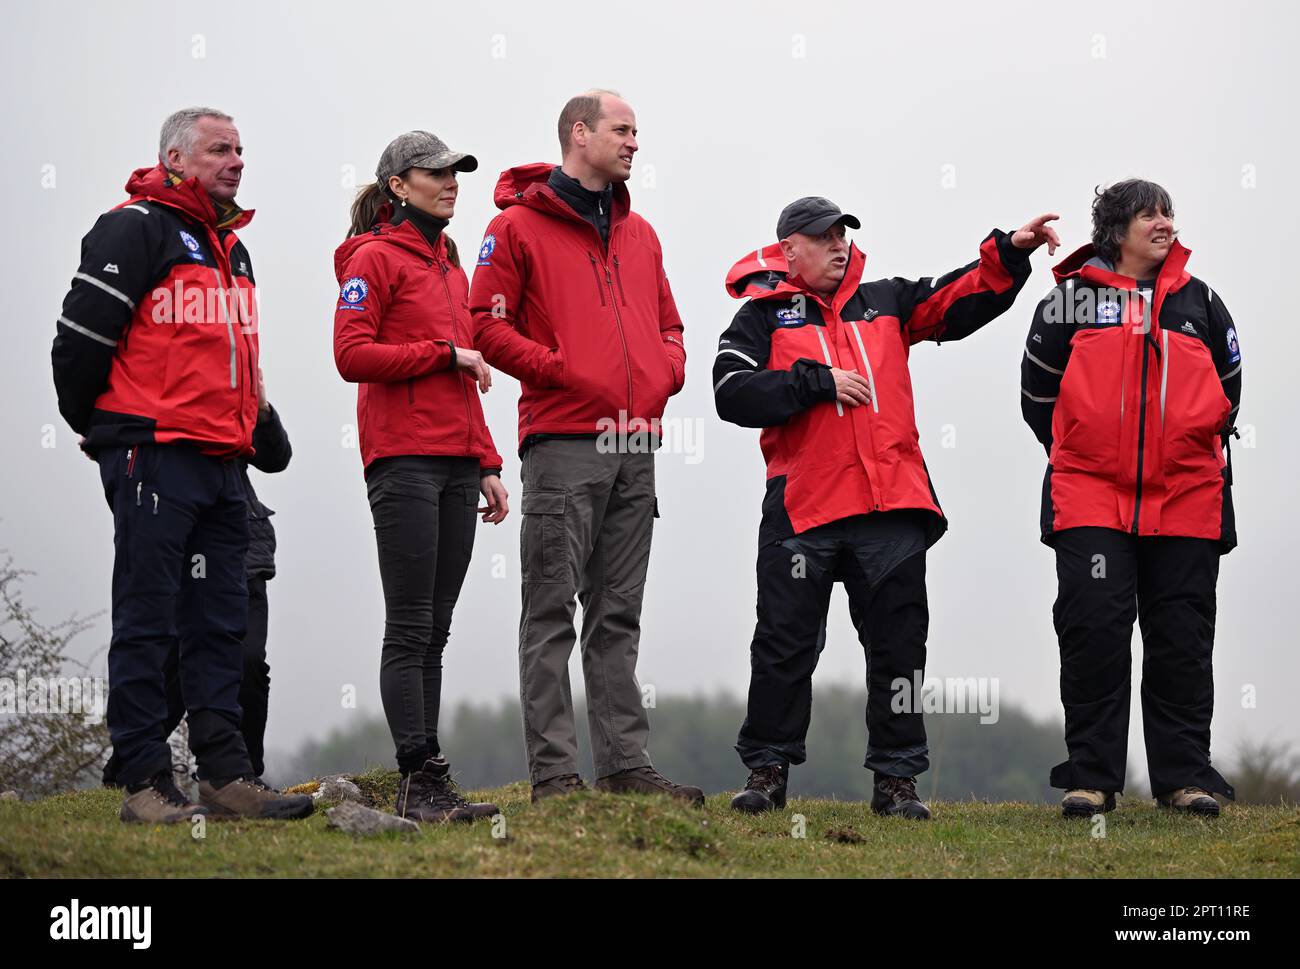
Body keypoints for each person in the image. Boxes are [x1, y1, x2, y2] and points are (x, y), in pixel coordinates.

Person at [715, 196, 1058, 819]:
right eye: (822, 237)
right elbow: (730, 392)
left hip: (893, 511)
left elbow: (960, 299)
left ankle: (897, 784)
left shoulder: (889, 300)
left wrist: (1012, 250)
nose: (838, 243)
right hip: (803, 514)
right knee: (783, 648)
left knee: (899, 653)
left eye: (843, 233)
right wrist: (814, 383)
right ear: (789, 249)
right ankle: (766, 774)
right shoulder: (760, 319)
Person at [50, 107, 312, 822]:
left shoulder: (231, 247)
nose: (236, 160)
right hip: (155, 454)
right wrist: (105, 427)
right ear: (174, 157)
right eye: (219, 149)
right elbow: (77, 341)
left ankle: (226, 776)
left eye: (240, 149)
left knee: (220, 623)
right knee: (148, 621)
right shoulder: (134, 227)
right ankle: (144, 784)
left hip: (224, 462)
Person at [470, 90, 701, 805]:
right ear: (580, 133)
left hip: (637, 443)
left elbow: (671, 326)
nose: (635, 143)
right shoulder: (514, 227)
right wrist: (559, 369)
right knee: (549, 611)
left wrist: (666, 374)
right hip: (564, 442)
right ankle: (555, 776)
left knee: (618, 612)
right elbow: (485, 324)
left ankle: (626, 765)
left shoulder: (643, 234)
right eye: (623, 130)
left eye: (637, 132)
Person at [1020, 179, 1239, 818]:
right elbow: (1039, 399)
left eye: (1168, 210)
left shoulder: (1202, 303)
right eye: (1148, 213)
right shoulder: (1068, 304)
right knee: (1095, 631)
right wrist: (1088, 454)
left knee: (1181, 638)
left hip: (1189, 498)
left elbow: (1230, 389)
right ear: (1116, 230)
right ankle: (1091, 779)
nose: (1163, 222)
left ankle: (1183, 778)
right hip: (1090, 498)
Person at [334, 130, 506, 823]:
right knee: (409, 625)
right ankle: (418, 775)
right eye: (434, 172)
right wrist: (443, 354)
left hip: (459, 462)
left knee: (436, 625)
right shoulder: (372, 259)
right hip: (402, 458)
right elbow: (351, 354)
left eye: (455, 171)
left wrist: (488, 461)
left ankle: (427, 781)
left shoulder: (452, 265)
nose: (451, 181)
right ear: (397, 186)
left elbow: (468, 377)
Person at [100, 371, 292, 787]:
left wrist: (262, 407)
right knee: (171, 667)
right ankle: (133, 769)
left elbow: (277, 457)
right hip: (175, 540)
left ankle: (244, 777)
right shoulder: (154, 382)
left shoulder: (232, 369)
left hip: (242, 544)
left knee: (247, 664)